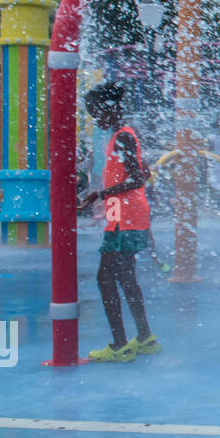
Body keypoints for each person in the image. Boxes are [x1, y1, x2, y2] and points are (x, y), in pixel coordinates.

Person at [78, 83, 161, 363]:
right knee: (125, 276)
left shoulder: (122, 137)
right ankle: (145, 337)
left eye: (96, 112)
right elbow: (144, 172)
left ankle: (120, 346)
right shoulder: (124, 136)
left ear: (110, 108)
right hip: (125, 214)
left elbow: (137, 178)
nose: (95, 118)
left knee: (105, 277)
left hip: (124, 218)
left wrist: (100, 193)